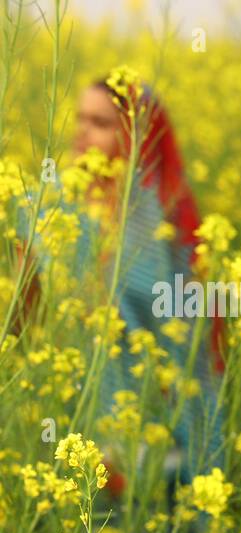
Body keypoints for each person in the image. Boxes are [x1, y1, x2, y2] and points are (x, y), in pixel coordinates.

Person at [20, 77, 227, 498]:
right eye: (79, 118)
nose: (82, 132)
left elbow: (192, 352)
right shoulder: (47, 206)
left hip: (150, 437)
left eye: (100, 122)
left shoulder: (166, 225)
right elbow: (22, 314)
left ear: (140, 135)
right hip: (62, 416)